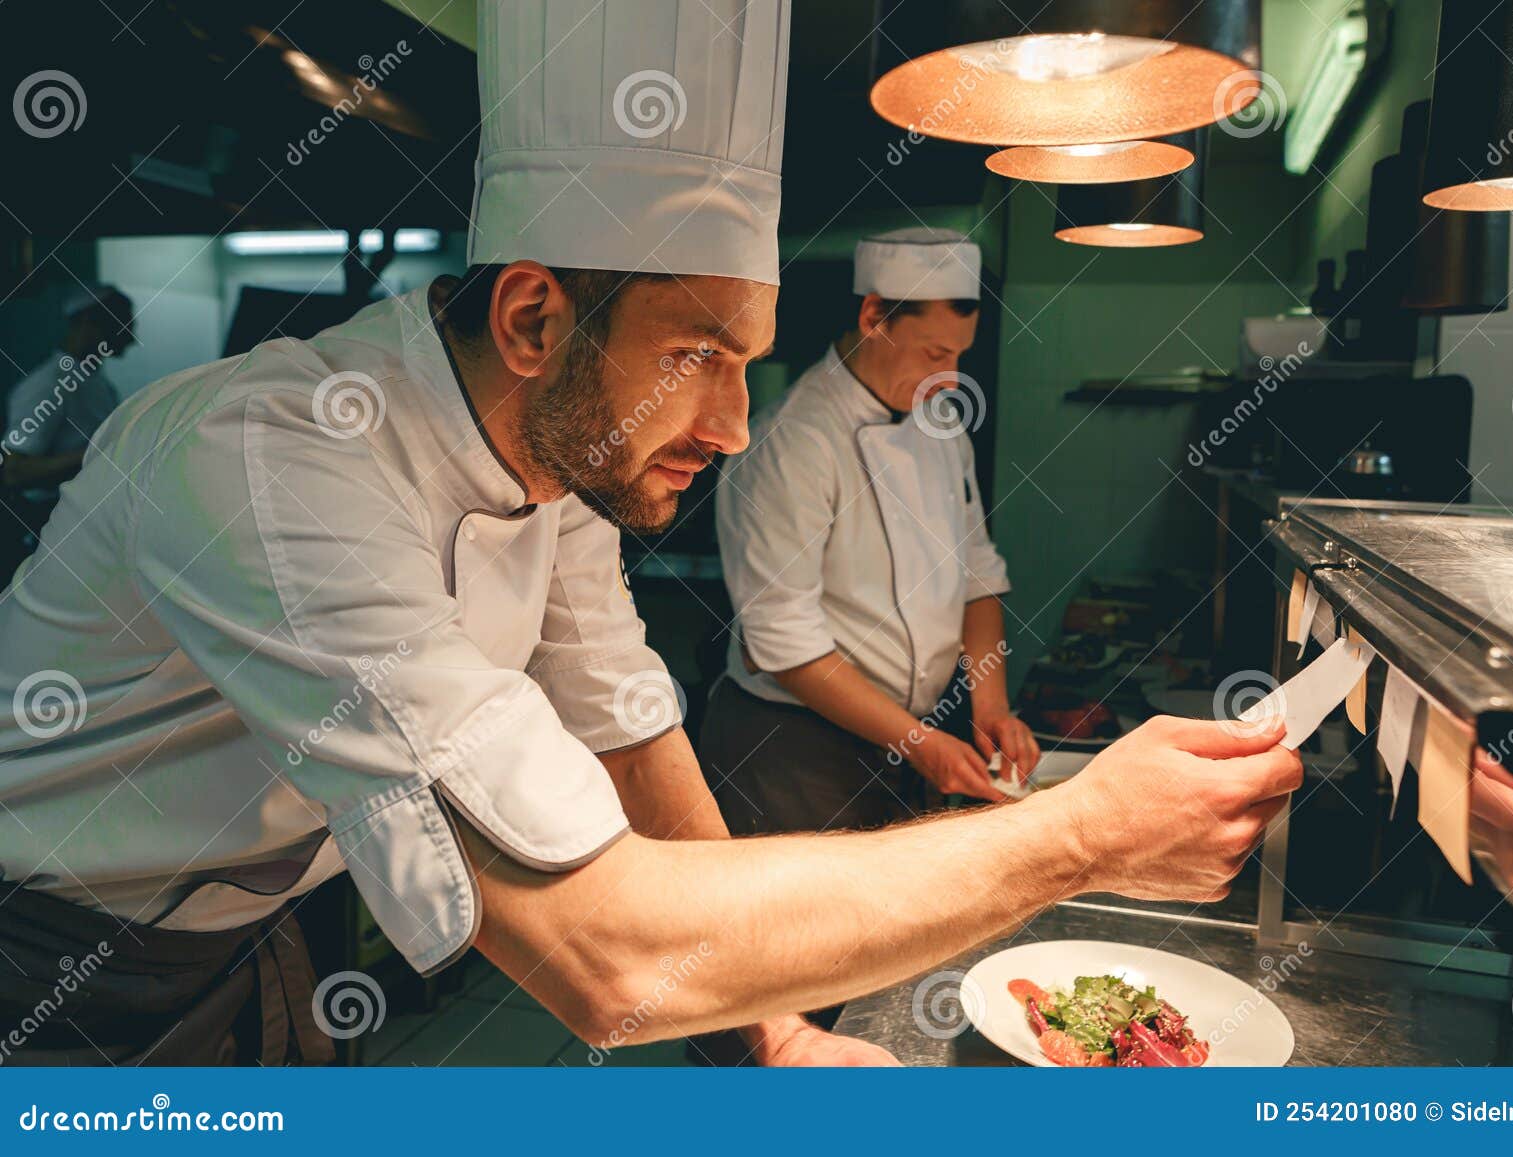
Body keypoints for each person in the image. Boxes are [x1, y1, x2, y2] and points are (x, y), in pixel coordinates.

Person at [0, 0, 1300, 1067]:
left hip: (250, 942)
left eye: (748, 364)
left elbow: (630, 736)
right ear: (531, 322)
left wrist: (775, 1039)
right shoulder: (270, 456)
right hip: (46, 961)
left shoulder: (553, 465)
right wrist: (1081, 833)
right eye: (694, 355)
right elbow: (604, 959)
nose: (736, 425)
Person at [704, 227, 1034, 842]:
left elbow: (978, 571)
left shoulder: (941, 424)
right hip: (793, 748)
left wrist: (991, 706)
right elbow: (785, 642)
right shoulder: (794, 440)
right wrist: (918, 743)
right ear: (875, 315)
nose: (953, 377)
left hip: (909, 739)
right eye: (936, 353)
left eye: (960, 354)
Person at [1, 285, 135, 574]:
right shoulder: (49, 384)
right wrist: (101, 452)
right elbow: (14, 471)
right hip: (45, 531)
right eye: (123, 321)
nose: (131, 335)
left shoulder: (94, 381)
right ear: (88, 321)